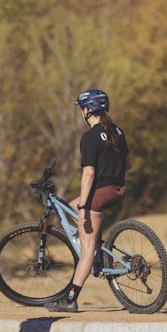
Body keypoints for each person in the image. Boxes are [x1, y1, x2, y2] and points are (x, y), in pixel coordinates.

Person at [45, 89, 132, 313]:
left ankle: (71, 298)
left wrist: (84, 207)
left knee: (86, 248)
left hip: (101, 192)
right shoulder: (118, 131)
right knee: (71, 207)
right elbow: (128, 164)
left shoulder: (90, 137)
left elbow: (89, 175)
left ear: (86, 110)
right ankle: (94, 243)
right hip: (118, 189)